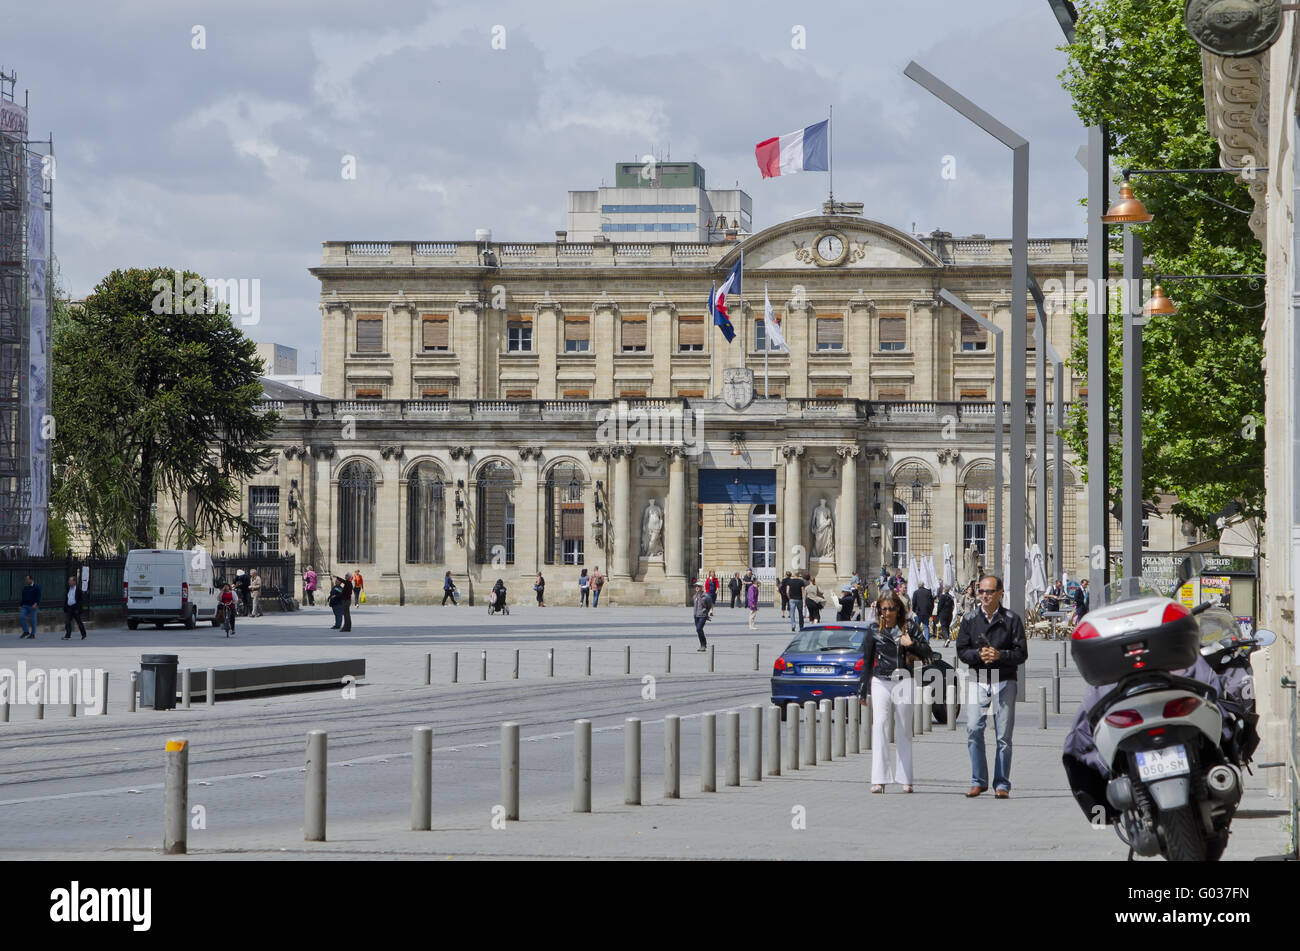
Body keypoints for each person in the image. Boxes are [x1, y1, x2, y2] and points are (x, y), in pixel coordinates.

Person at [956, 574, 1028, 799]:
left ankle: (1002, 784)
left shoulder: (1011, 619)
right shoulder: (970, 619)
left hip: (1005, 679)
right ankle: (978, 780)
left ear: (999, 593)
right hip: (979, 678)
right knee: (973, 729)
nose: (984, 596)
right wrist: (978, 655)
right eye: (981, 591)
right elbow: (961, 650)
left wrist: (1000, 655)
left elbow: (1021, 653)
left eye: (989, 592)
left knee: (1003, 736)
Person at [858, 590, 932, 792]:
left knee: (904, 728)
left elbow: (929, 653)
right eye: (884, 609)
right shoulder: (873, 629)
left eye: (891, 608)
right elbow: (866, 661)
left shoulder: (909, 627)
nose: (888, 612)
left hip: (904, 680)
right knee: (879, 724)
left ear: (898, 608)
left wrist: (912, 644)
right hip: (881, 679)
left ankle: (905, 778)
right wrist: (862, 690)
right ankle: (879, 778)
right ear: (879, 609)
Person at [62, 575, 87, 640]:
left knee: (79, 622)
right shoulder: (68, 588)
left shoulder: (78, 590)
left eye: (70, 581)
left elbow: (80, 601)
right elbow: (67, 598)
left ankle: (83, 634)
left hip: (75, 608)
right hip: (69, 608)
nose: (69, 582)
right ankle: (68, 635)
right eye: (69, 581)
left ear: (74, 582)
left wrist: (78, 608)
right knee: (67, 622)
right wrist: (65, 607)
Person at [692, 581, 713, 651]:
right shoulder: (694, 596)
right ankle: (702, 644)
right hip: (696, 615)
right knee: (698, 630)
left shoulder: (706, 596)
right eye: (696, 586)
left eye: (698, 586)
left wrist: (708, 611)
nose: (696, 588)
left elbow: (710, 604)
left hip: (703, 615)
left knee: (699, 629)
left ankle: (703, 645)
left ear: (701, 587)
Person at [19, 574, 40, 639]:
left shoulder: (36, 587)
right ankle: (26, 631)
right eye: (26, 579)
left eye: (27, 579)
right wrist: (20, 605)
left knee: (33, 620)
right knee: (22, 617)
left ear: (31, 579)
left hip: (33, 606)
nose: (26, 581)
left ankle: (33, 634)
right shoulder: (25, 587)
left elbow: (38, 596)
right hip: (25, 606)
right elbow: (23, 597)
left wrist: (35, 604)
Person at [935, 582, 955, 646]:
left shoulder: (942, 597)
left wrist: (938, 614)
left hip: (943, 614)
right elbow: (953, 606)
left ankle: (946, 638)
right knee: (947, 627)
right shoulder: (951, 597)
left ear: (944, 589)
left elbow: (939, 606)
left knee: (943, 627)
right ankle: (946, 642)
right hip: (949, 614)